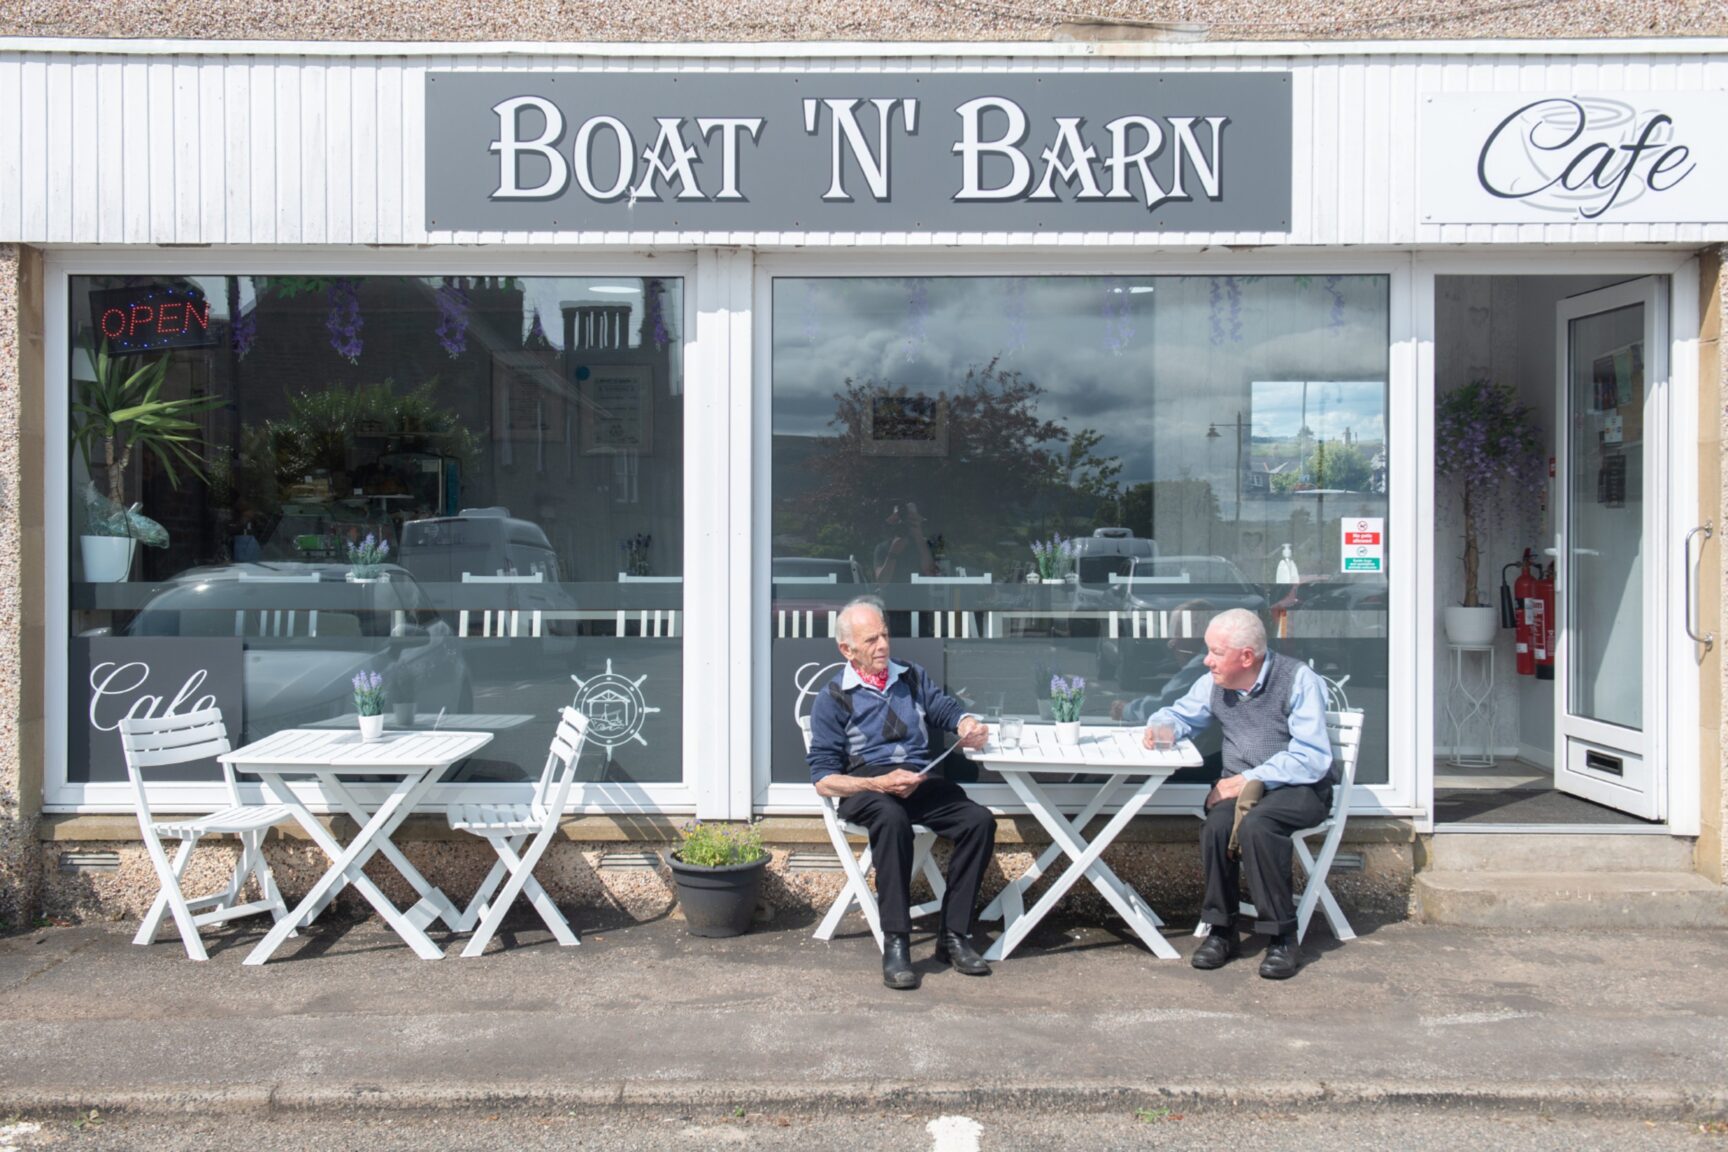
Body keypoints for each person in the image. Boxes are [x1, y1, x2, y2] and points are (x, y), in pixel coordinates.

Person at [807, 596, 995, 990]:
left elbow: (946, 711)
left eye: (885, 635)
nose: (883, 646)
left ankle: (953, 936)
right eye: (871, 639)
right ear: (848, 649)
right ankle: (896, 942)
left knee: (979, 821)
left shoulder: (911, 677)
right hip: (868, 787)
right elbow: (824, 778)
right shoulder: (833, 697)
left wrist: (966, 723)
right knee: (893, 821)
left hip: (917, 780)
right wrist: (877, 783)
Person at [1140, 608, 1334, 980]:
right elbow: (1180, 715)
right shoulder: (1215, 683)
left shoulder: (1297, 680)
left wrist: (1248, 779)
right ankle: (1221, 930)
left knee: (1258, 827)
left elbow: (1311, 758)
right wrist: (1162, 728)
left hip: (1299, 789)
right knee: (1216, 826)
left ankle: (1281, 937)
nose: (1207, 660)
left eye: (1215, 652)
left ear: (1246, 657)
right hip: (1242, 787)